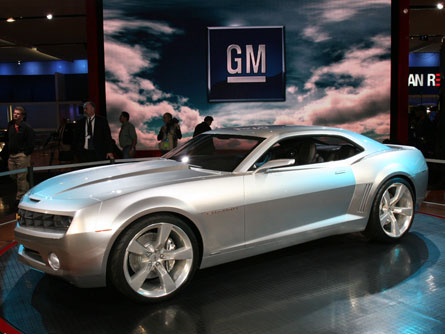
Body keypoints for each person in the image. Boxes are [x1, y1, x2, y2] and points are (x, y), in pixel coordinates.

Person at [7, 106, 34, 203]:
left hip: (22, 155)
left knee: (21, 177)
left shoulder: (27, 128)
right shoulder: (10, 125)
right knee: (13, 175)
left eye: (18, 113)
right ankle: (26, 192)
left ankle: (20, 198)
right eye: (14, 113)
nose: (15, 115)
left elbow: (31, 142)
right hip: (12, 155)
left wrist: (25, 153)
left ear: (22, 116)